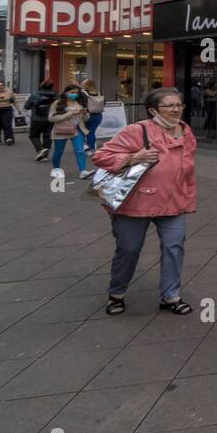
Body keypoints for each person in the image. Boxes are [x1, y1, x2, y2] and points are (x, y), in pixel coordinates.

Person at [92, 87, 196, 317]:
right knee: (128, 249)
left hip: (173, 203)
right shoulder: (136, 131)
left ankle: (171, 296)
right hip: (136, 204)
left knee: (174, 248)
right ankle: (116, 293)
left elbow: (187, 171)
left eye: (179, 104)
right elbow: (99, 156)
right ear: (152, 110)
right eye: (169, 105)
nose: (176, 109)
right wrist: (132, 157)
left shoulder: (186, 131)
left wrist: (187, 201)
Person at [49, 84, 92, 178]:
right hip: (61, 130)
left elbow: (85, 119)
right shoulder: (57, 103)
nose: (74, 94)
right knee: (58, 152)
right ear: (66, 93)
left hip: (77, 130)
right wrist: (70, 113)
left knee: (80, 151)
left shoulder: (79, 103)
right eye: (72, 92)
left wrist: (85, 114)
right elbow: (51, 118)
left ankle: (83, 171)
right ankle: (56, 170)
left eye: (77, 93)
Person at [25, 79, 58, 160]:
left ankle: (41, 150)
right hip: (50, 118)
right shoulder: (56, 96)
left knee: (33, 135)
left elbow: (26, 106)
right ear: (52, 86)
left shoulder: (34, 95)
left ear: (41, 86)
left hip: (37, 119)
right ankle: (45, 155)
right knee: (47, 136)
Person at [81, 78, 105, 152]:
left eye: (83, 84)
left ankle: (83, 146)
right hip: (98, 115)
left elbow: (81, 103)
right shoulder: (99, 93)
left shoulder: (83, 93)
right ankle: (91, 148)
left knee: (83, 131)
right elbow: (104, 103)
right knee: (92, 132)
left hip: (87, 115)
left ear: (87, 85)